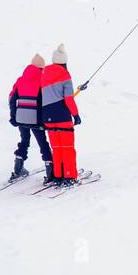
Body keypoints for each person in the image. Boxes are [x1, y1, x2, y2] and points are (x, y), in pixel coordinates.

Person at [40, 43, 82, 187]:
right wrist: (75, 115)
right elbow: (68, 98)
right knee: (68, 147)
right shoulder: (65, 74)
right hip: (62, 116)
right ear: (64, 61)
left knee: (57, 148)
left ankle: (58, 175)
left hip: (48, 118)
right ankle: (69, 176)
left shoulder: (44, 74)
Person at [8, 54, 52, 182]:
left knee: (24, 141)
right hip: (36, 118)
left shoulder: (20, 79)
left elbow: (12, 98)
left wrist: (13, 116)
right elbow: (47, 100)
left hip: (21, 117)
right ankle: (50, 171)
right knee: (43, 143)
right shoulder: (43, 79)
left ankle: (18, 168)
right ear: (41, 68)